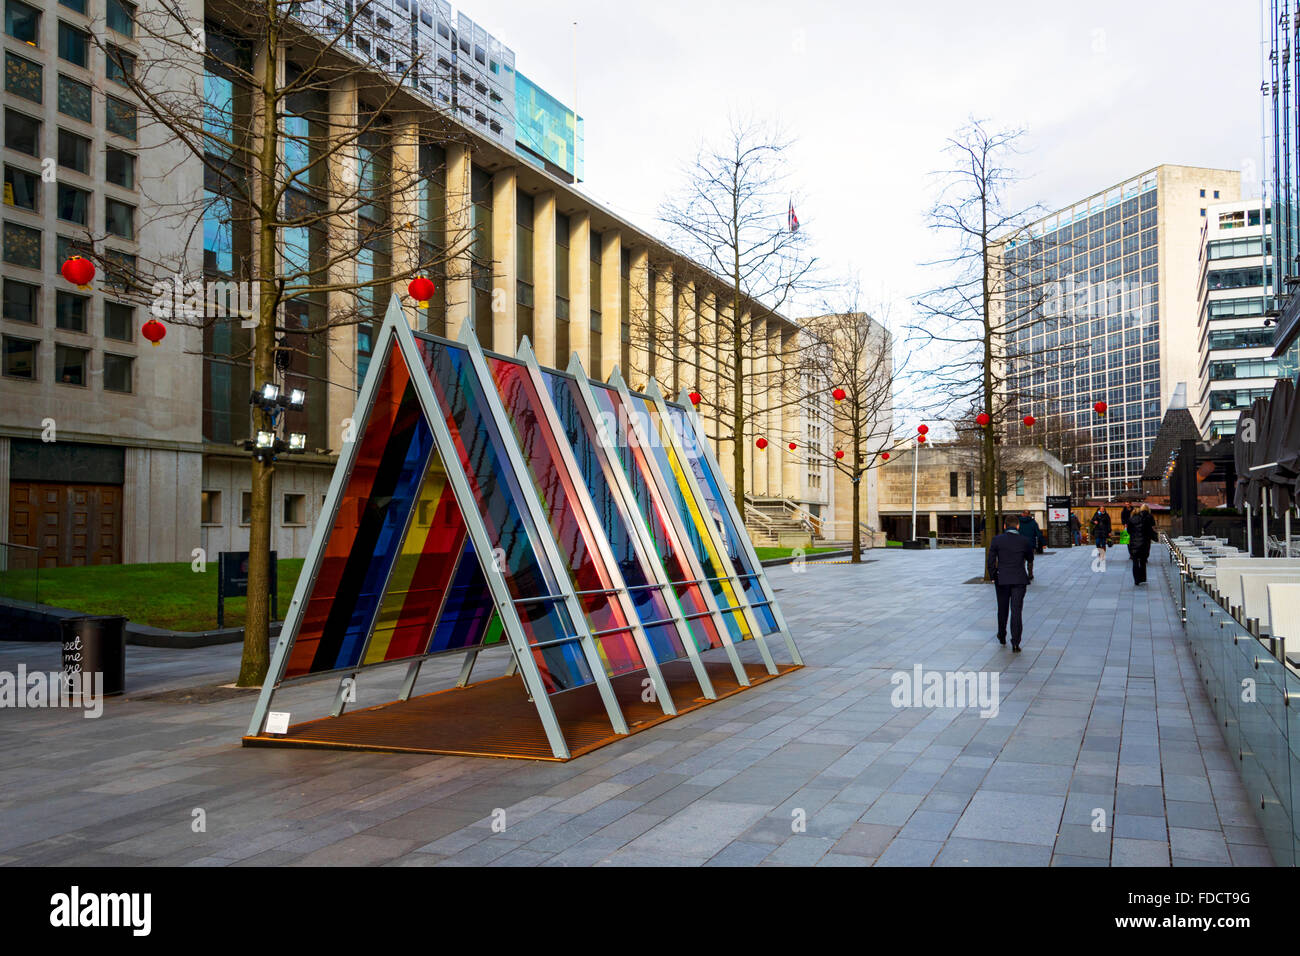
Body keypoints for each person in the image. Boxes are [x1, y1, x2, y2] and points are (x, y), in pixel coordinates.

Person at [987, 514, 1035, 652]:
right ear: (1018, 526)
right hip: (1019, 579)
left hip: (1002, 579)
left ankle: (1002, 635)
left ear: (1004, 526)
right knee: (1016, 611)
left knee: (1002, 609)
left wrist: (993, 575)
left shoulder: (997, 540)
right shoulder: (1024, 541)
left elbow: (990, 560)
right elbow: (1030, 557)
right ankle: (1015, 642)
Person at [1126, 504, 1156, 585]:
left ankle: (1136, 580)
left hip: (1134, 543)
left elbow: (1128, 531)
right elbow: (1149, 530)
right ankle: (1142, 577)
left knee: (1135, 561)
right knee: (1142, 561)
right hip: (1143, 542)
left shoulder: (1131, 520)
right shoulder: (1144, 520)